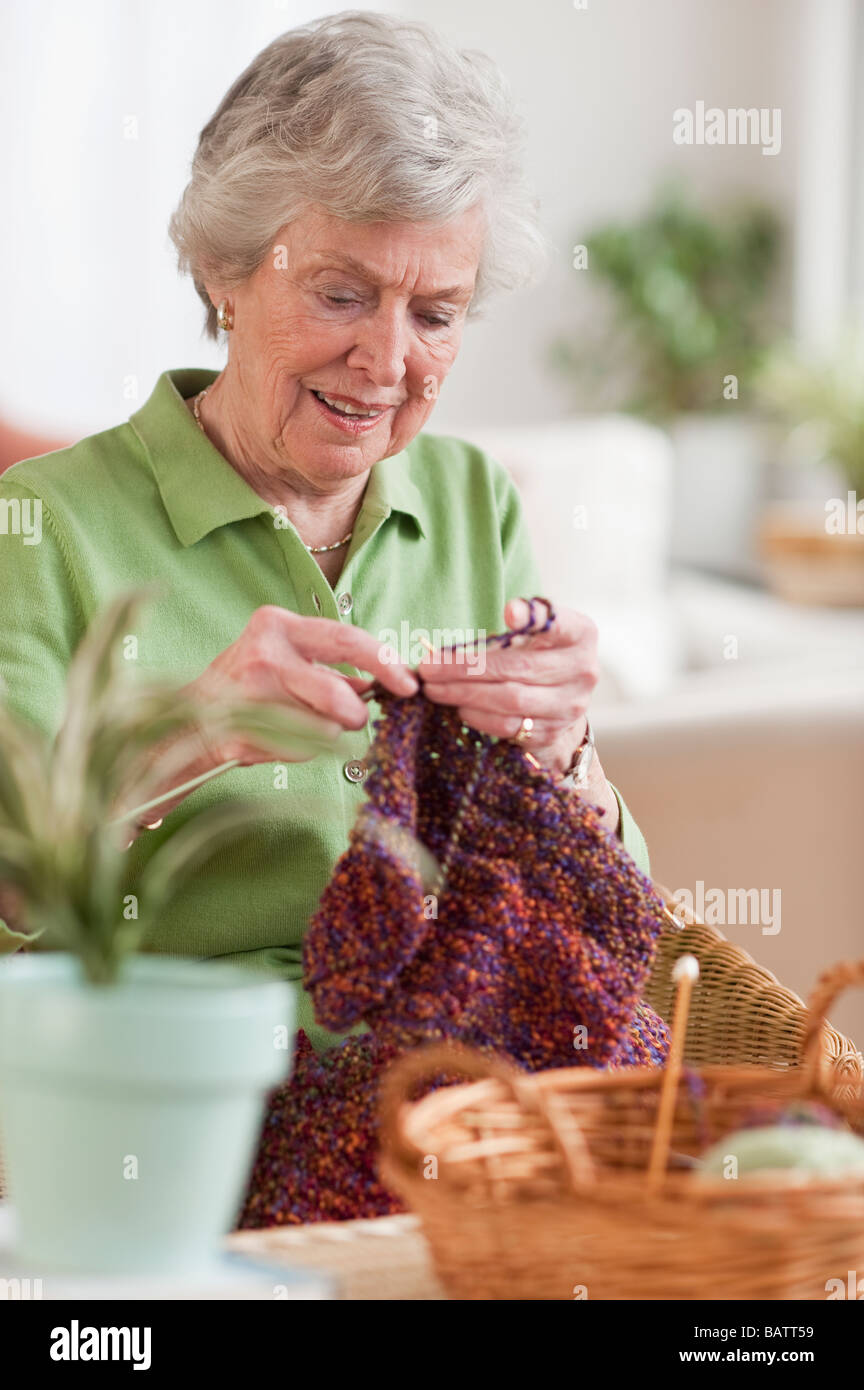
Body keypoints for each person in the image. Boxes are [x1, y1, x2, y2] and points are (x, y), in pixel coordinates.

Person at [0, 11, 651, 1053]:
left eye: (436, 313)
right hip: (174, 1102)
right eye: (342, 293)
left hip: (455, 1099)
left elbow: (599, 917)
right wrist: (189, 732)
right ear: (225, 270)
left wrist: (565, 753)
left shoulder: (475, 498)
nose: (387, 360)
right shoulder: (41, 529)